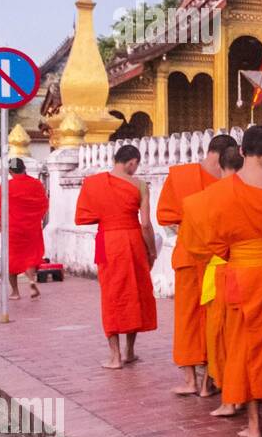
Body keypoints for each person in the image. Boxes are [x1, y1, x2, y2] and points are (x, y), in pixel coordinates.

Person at [203, 125, 262, 437]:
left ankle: (254, 424)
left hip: (238, 273)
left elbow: (215, 245)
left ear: (241, 152)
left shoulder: (219, 191)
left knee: (242, 345)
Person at [157, 134, 238, 395]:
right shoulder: (219, 178)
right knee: (195, 318)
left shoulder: (184, 177)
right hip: (205, 257)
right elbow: (165, 216)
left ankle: (201, 380)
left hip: (208, 256)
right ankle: (200, 380)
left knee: (201, 318)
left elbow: (167, 217)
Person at [75, 144, 158, 370]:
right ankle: (130, 351)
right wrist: (152, 251)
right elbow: (146, 224)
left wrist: (107, 217)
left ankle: (115, 356)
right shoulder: (140, 185)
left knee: (111, 295)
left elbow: (84, 215)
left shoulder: (94, 183)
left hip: (107, 242)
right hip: (132, 241)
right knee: (134, 292)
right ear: (132, 162)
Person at [181, 141, 242, 411]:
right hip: (248, 269)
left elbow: (192, 244)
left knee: (217, 335)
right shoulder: (260, 192)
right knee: (242, 336)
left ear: (220, 165)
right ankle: (243, 396)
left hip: (216, 270)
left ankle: (222, 392)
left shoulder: (201, 200)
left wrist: (214, 256)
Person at [0, 158, 48, 300]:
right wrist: (36, 218)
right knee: (30, 256)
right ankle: (31, 280)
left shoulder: (6, 186)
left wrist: (1, 223)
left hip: (12, 228)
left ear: (10, 171)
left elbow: (2, 208)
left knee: (12, 258)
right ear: (24, 168)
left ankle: (15, 292)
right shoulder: (36, 184)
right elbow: (43, 204)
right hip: (31, 228)